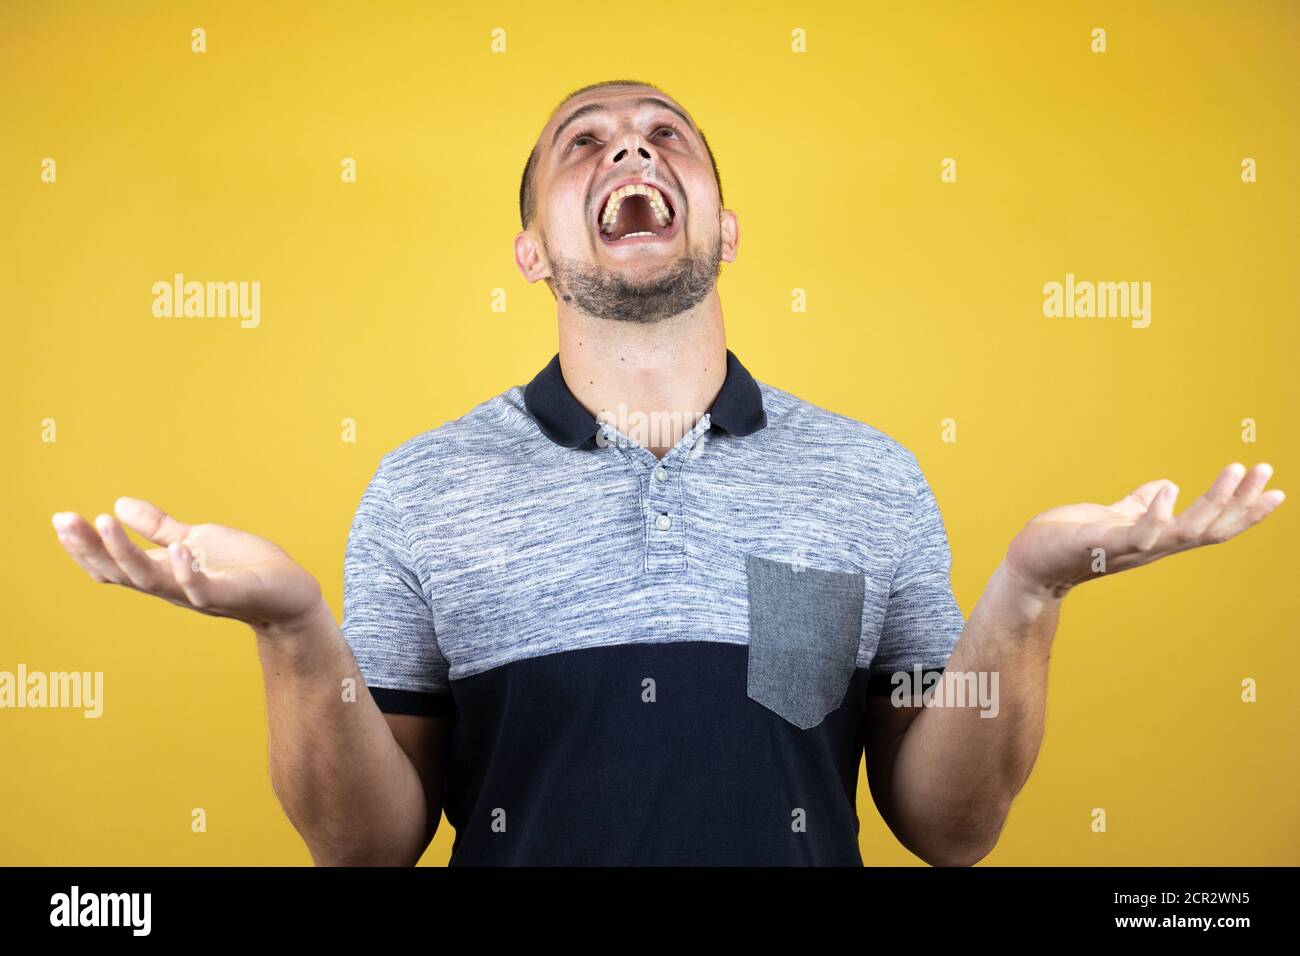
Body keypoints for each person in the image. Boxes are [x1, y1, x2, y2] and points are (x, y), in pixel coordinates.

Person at [50, 80, 1285, 866]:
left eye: (662, 137)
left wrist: (1025, 593)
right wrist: (292, 626)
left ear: (722, 224)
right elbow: (366, 844)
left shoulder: (865, 477)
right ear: (533, 246)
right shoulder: (422, 484)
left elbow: (947, 829)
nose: (627, 151)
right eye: (580, 143)